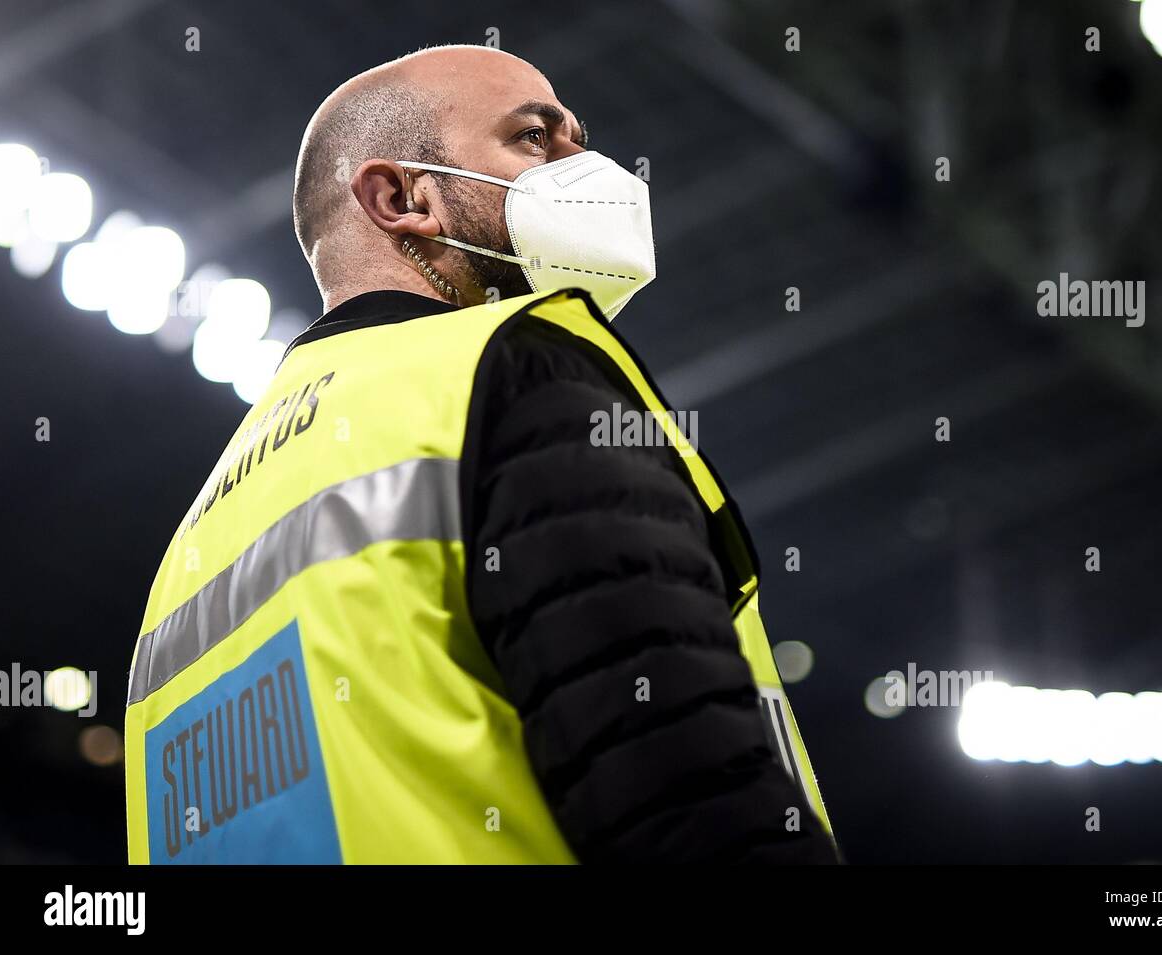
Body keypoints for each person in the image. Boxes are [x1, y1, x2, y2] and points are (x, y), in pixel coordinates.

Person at [124, 43, 840, 864]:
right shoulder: (509, 373)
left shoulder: (185, 555)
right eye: (536, 140)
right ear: (399, 197)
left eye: (580, 137)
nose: (589, 166)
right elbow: (680, 773)